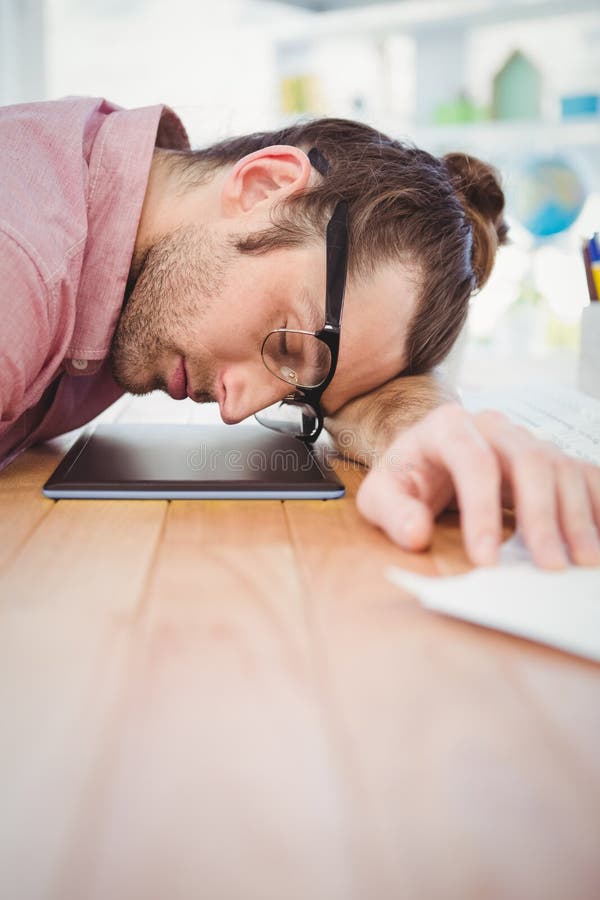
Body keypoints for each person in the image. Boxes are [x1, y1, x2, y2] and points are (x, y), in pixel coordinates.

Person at [1, 97, 598, 570]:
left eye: (296, 396)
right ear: (264, 186)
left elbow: (357, 393)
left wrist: (427, 428)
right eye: (286, 345)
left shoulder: (126, 245)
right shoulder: (23, 257)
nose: (236, 410)